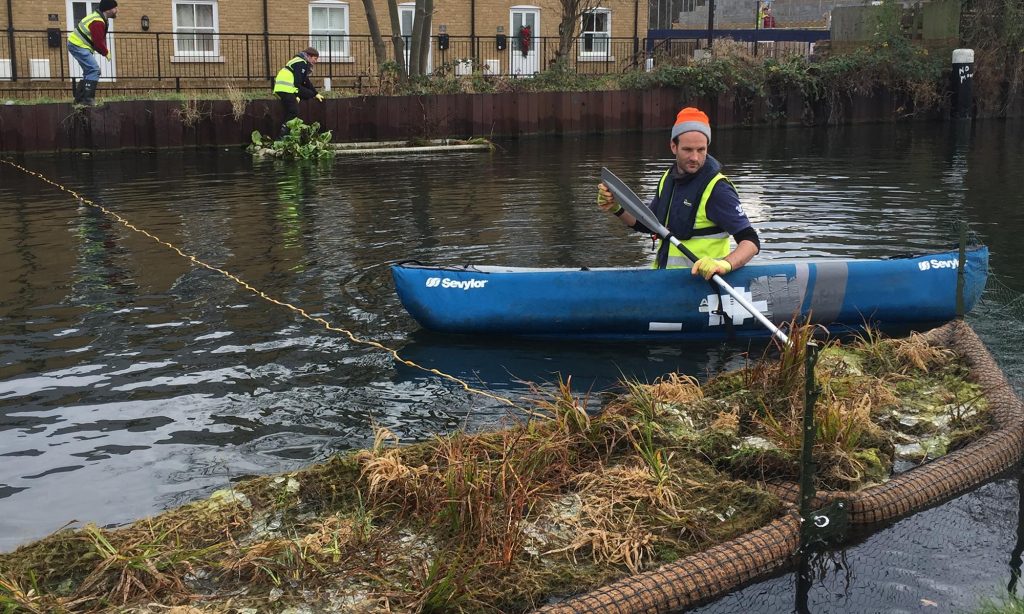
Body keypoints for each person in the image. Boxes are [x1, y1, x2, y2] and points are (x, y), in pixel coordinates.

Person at [596, 106, 760, 280]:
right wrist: (616, 207)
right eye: (688, 150)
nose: (695, 157)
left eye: (701, 150)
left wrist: (724, 264)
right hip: (665, 283)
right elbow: (647, 224)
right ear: (673, 146)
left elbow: (750, 241)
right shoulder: (668, 179)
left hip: (703, 287)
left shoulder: (718, 189)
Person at [66, 0, 118, 106]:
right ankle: (88, 99)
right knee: (94, 70)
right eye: (115, 8)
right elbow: (98, 42)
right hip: (78, 45)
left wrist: (104, 50)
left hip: (76, 44)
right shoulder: (98, 21)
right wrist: (106, 52)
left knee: (89, 71)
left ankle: (79, 99)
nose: (117, 10)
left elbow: (99, 39)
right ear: (108, 9)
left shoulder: (100, 18)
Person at [273, 47, 324, 138]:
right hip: (286, 88)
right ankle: (282, 136)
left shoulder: (299, 61)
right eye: (315, 59)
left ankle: (285, 134)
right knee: (294, 111)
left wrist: (315, 93)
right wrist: (309, 94)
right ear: (309, 56)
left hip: (284, 88)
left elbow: (305, 81)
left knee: (305, 97)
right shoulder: (301, 63)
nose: (315, 61)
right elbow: (298, 83)